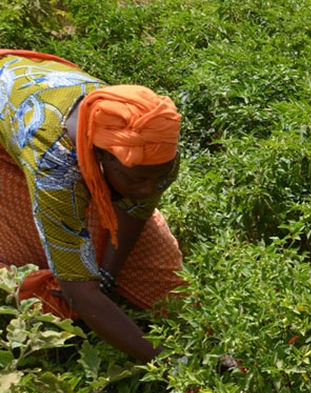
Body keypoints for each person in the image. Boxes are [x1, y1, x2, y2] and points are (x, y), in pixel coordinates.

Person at [0, 50, 186, 363]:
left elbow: (137, 208)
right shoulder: (54, 163)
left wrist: (107, 274)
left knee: (158, 274)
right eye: (136, 178)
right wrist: (170, 363)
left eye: (158, 178)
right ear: (100, 157)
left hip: (33, 96)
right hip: (24, 121)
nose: (150, 189)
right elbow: (80, 294)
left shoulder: (151, 144)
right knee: (44, 271)